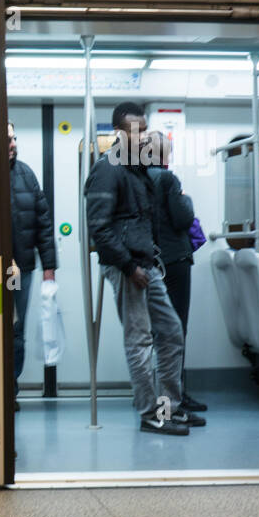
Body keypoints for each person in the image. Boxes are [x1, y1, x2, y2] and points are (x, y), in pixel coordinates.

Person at [85, 102, 201, 435]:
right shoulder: (108, 169)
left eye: (144, 128)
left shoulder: (137, 169)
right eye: (136, 129)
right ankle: (150, 413)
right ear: (119, 133)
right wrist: (128, 264)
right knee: (139, 340)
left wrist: (149, 258)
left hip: (148, 264)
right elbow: (99, 227)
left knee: (171, 332)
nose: (143, 135)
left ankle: (169, 406)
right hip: (127, 267)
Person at [145, 131, 207, 414]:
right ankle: (175, 395)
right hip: (175, 260)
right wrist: (187, 199)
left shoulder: (139, 179)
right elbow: (183, 217)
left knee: (159, 331)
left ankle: (165, 392)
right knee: (177, 329)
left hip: (153, 260)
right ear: (162, 153)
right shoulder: (168, 179)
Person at [7, 121, 57, 410]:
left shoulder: (26, 174)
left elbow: (43, 223)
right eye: (7, 141)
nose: (13, 145)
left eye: (14, 139)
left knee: (15, 330)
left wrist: (49, 265)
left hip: (19, 268)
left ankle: (10, 389)